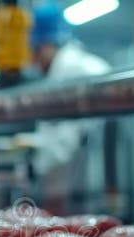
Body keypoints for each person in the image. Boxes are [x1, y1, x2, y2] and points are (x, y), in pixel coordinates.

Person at [26, 1, 111, 214]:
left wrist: (33, 156)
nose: (33, 62)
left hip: (83, 189)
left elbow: (64, 145)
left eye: (33, 53)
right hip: (76, 186)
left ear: (43, 46)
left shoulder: (74, 70)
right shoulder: (67, 68)